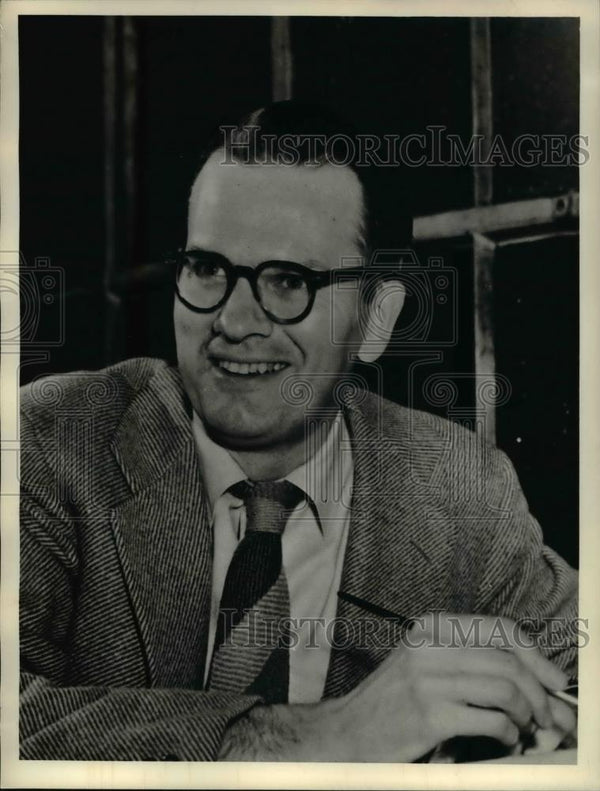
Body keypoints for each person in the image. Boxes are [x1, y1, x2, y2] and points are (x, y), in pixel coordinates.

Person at [19, 101, 578, 762]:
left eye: (289, 281)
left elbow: (577, 669)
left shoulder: (457, 486)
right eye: (208, 268)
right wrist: (327, 735)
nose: (234, 321)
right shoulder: (54, 440)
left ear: (375, 320)